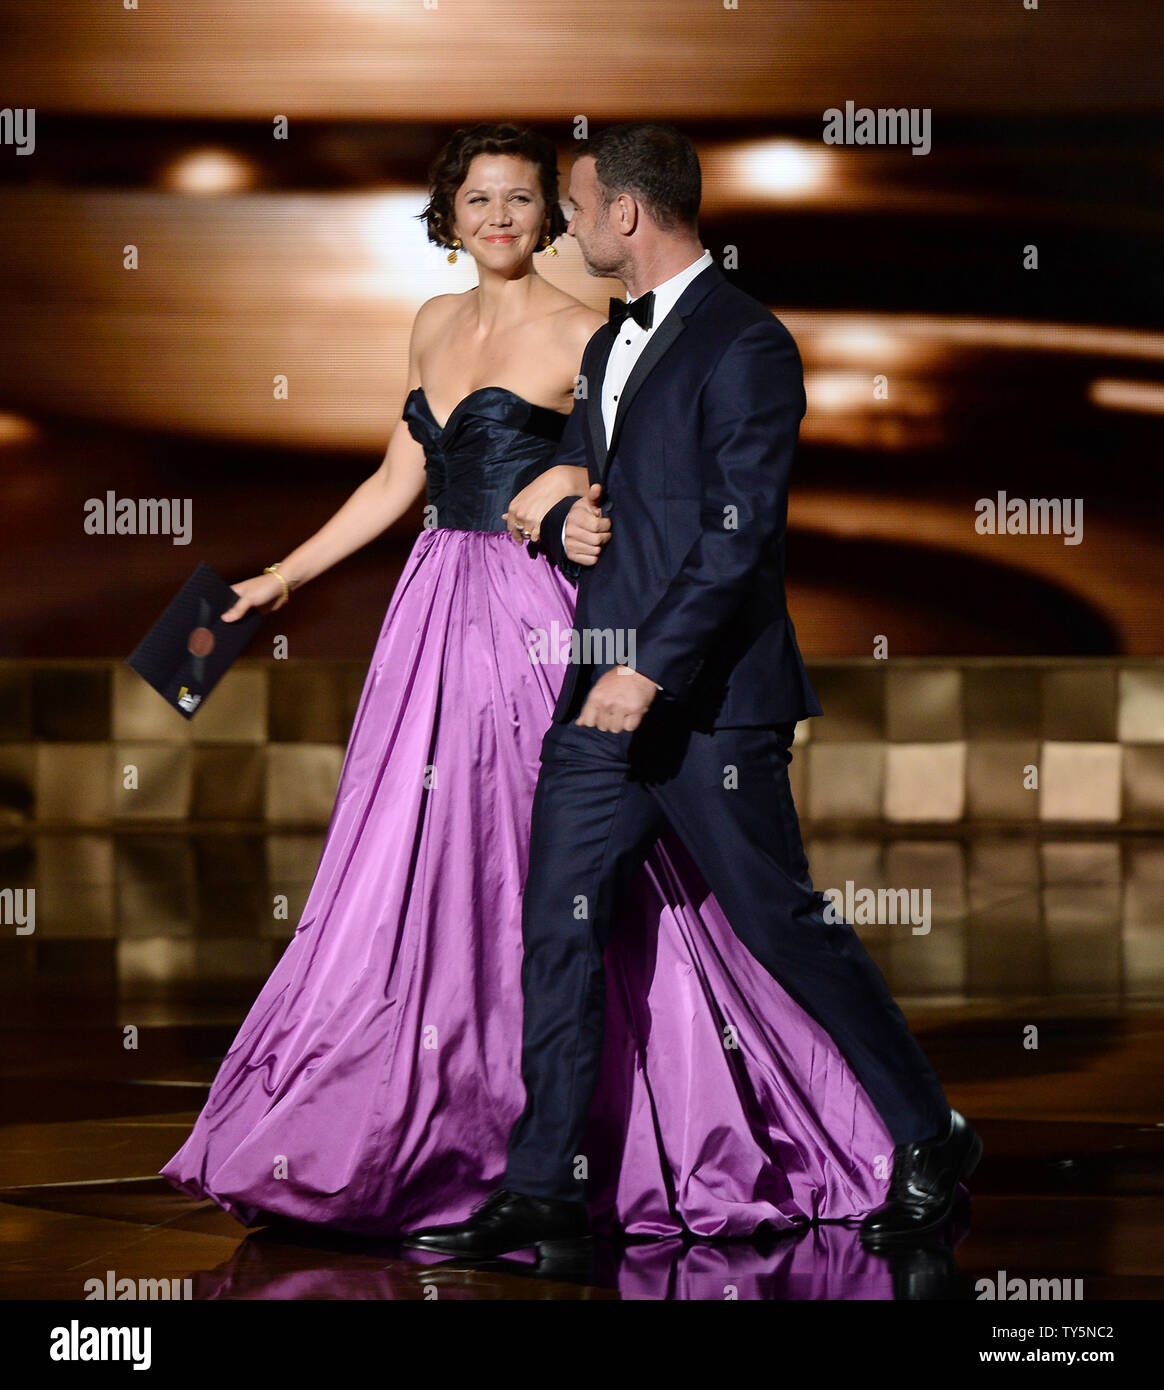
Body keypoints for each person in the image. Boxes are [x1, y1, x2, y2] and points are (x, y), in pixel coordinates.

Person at [161, 122, 898, 1242]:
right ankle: (448, 1134)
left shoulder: (592, 327)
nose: (501, 217)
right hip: (432, 616)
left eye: (519, 199)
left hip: (543, 621)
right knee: (425, 867)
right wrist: (281, 575)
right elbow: (399, 472)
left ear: (554, 216)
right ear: (446, 217)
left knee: (565, 880)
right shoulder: (430, 323)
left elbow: (635, 470)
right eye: (479, 200)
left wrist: (562, 506)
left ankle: (593, 1145)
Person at [404, 123, 981, 1260]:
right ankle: (544, 1190)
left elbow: (736, 538)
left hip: (707, 702)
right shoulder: (613, 340)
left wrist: (645, 665)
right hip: (596, 696)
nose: (565, 226)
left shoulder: (748, 343)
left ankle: (929, 1128)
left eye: (573, 206)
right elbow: (588, 459)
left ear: (627, 214)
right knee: (558, 922)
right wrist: (562, 499)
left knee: (782, 922)